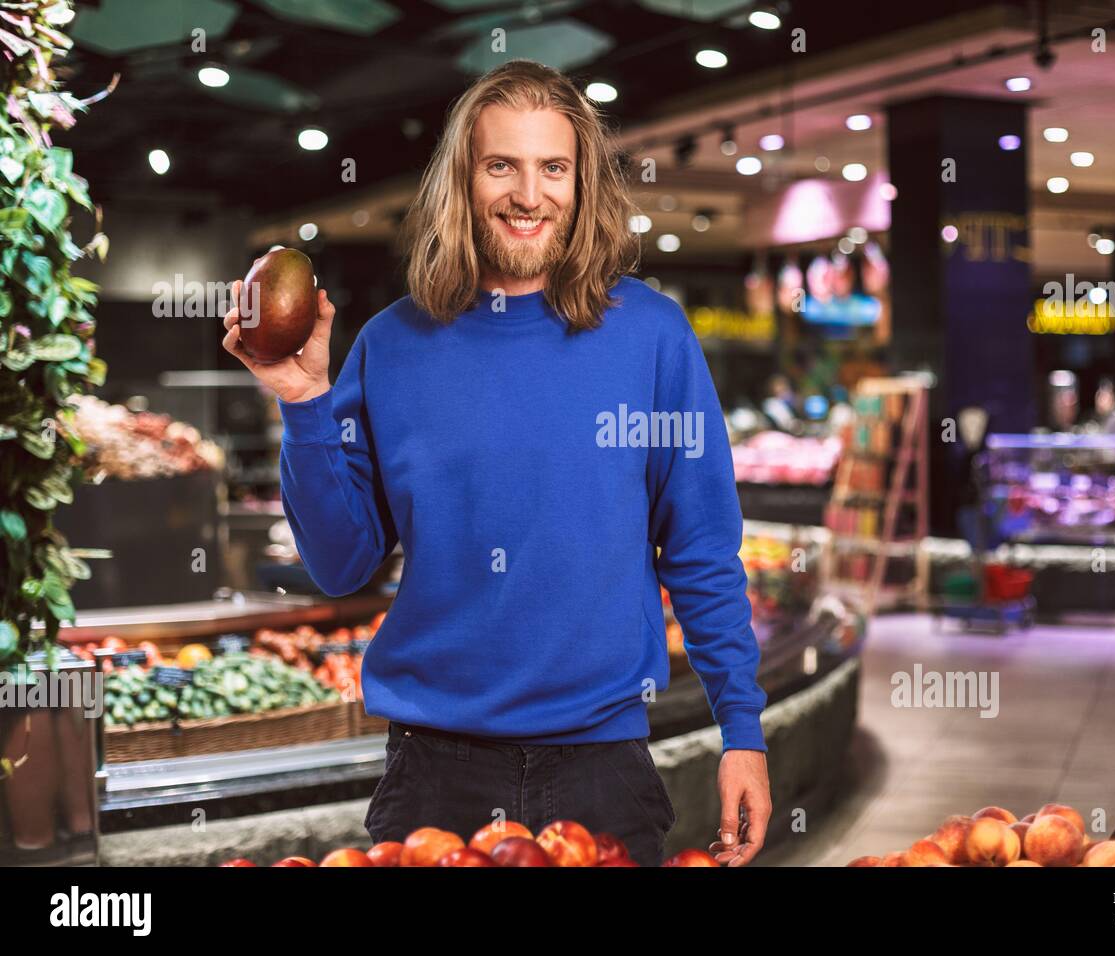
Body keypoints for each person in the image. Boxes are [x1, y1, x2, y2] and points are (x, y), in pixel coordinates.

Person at [222, 60, 770, 867]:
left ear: (582, 184)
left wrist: (743, 729)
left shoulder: (653, 337)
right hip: (431, 775)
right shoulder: (392, 345)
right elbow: (341, 567)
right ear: (462, 179)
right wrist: (304, 402)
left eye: (553, 168)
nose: (528, 194)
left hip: (604, 768)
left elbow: (700, 552)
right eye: (501, 166)